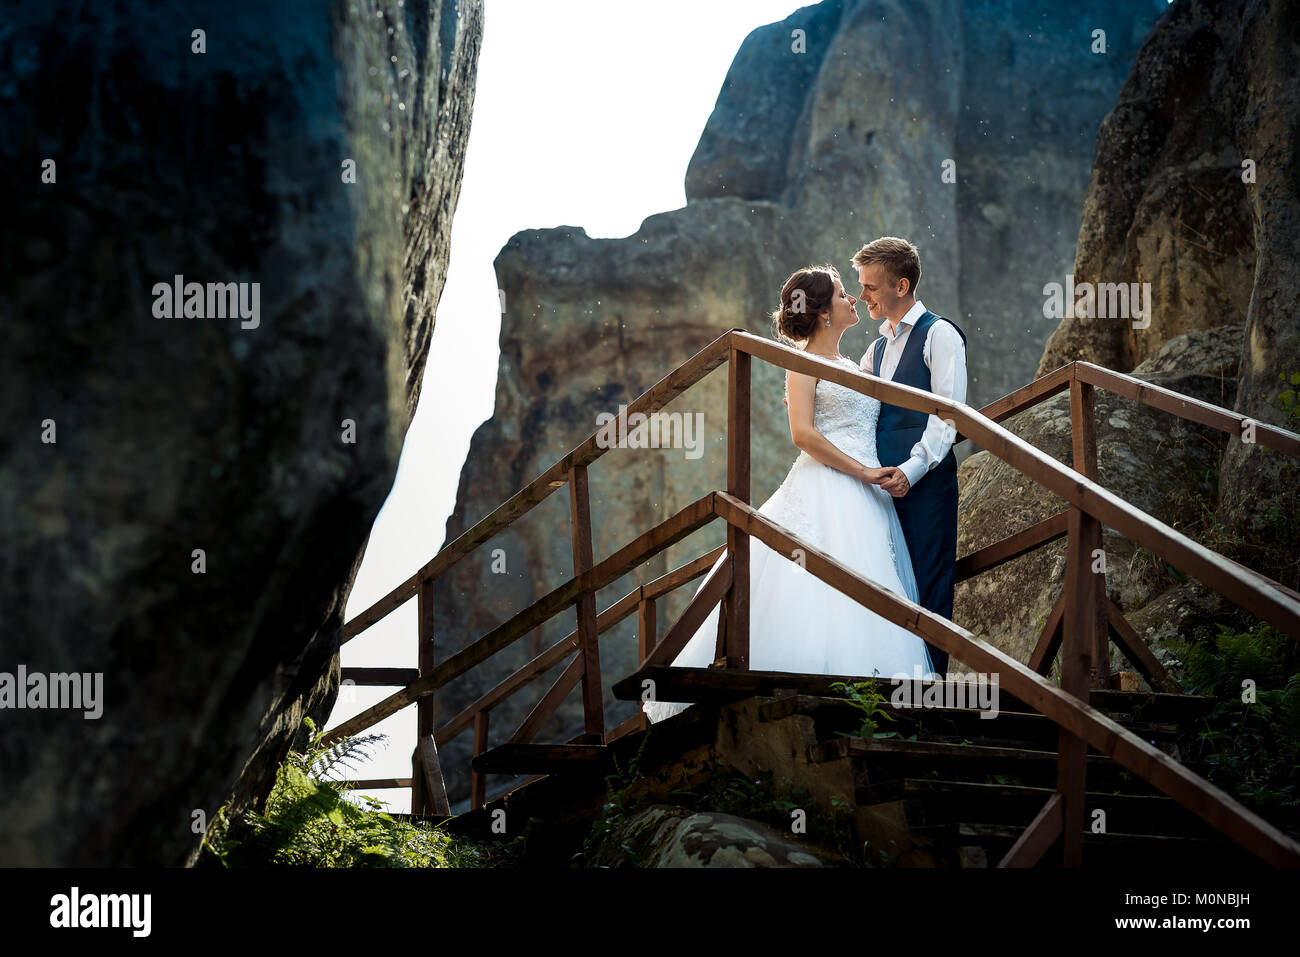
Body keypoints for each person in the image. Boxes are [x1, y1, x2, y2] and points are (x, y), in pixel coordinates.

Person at [642, 264, 937, 724]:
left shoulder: (853, 366)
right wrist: (861, 469)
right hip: (829, 483)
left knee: (869, 580)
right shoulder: (801, 366)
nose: (852, 300)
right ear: (822, 312)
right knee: (816, 580)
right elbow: (803, 434)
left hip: (869, 494)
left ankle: (876, 697)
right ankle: (819, 692)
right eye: (842, 295)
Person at [854, 237, 968, 678]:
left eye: (870, 287)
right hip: (880, 488)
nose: (863, 296)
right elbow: (857, 407)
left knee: (929, 583)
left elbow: (948, 416)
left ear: (901, 286)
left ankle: (931, 692)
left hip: (927, 486)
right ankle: (890, 683)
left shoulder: (940, 335)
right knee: (889, 582)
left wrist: (912, 469)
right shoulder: (876, 350)